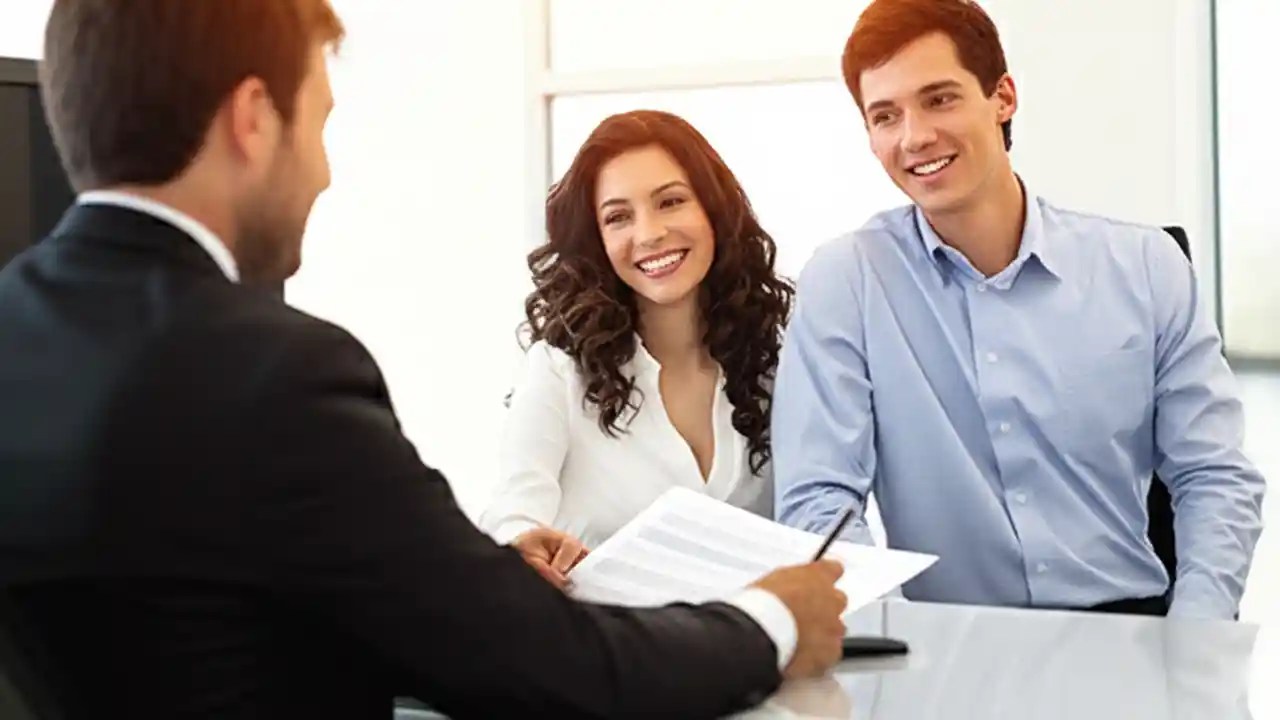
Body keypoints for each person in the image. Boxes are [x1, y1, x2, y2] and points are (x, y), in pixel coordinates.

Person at [0, 2, 850, 718]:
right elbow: (545, 666)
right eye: (322, 122)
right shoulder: (275, 376)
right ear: (255, 119)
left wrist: (470, 576)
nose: (326, 173)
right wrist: (771, 620)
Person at [771, 0, 1265, 620]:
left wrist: (1193, 644)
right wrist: (895, 644)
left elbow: (1214, 476)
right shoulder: (847, 281)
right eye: (885, 116)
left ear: (1002, 97)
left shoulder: (1145, 266)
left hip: (1127, 632)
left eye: (940, 99)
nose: (914, 136)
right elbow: (821, 500)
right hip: (947, 643)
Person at [478, 110, 794, 550]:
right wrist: (523, 548)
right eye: (618, 217)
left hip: (742, 619)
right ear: (597, 239)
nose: (649, 234)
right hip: (599, 618)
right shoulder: (557, 372)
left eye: (671, 201)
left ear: (713, 211)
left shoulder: (773, 368)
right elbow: (511, 517)